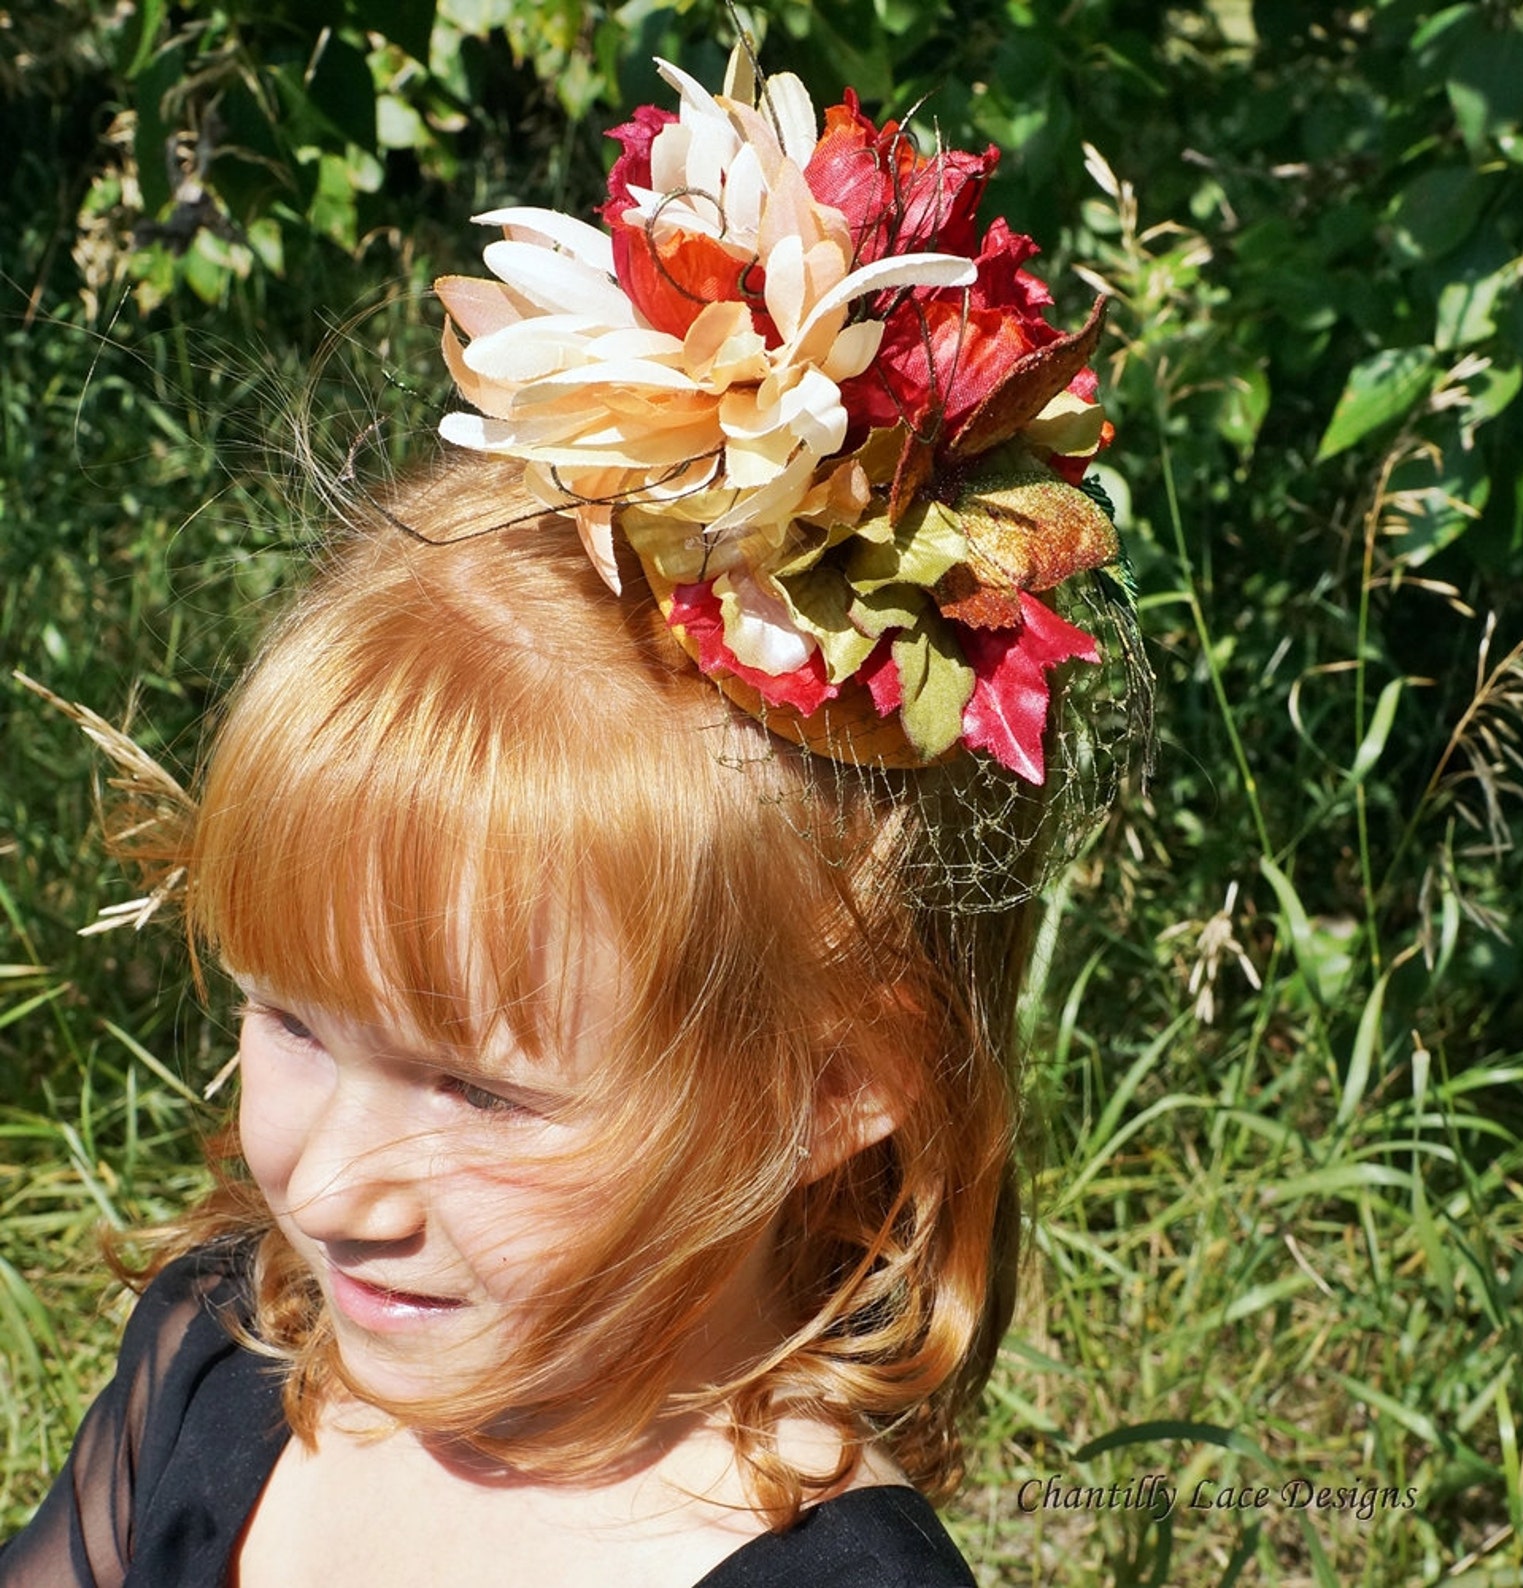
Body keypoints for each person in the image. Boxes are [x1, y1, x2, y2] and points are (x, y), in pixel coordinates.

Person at [2, 47, 1145, 1588]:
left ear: (830, 1085)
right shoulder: (231, 1353)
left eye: (475, 1093)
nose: (324, 1190)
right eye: (291, 1020)